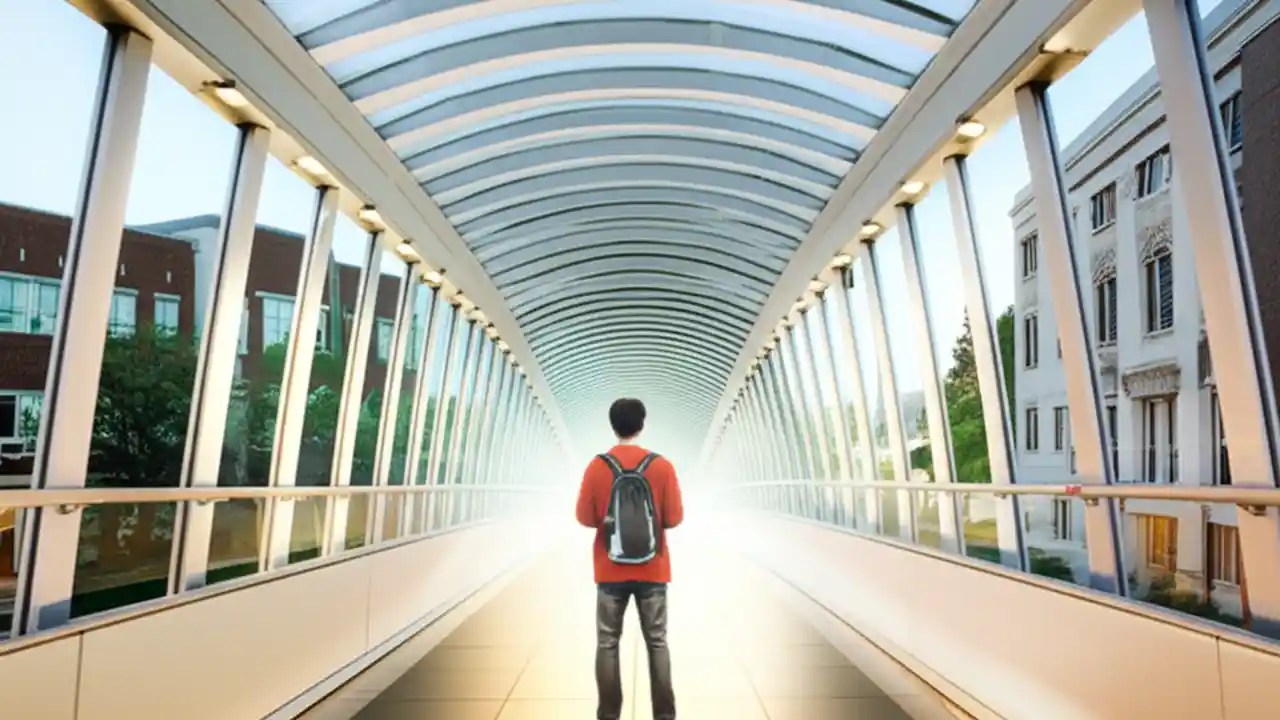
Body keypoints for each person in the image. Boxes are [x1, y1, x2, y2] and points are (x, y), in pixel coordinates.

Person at [575, 397, 683, 720]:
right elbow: (675, 518)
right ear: (642, 424)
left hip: (609, 570)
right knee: (658, 642)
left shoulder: (597, 466)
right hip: (653, 570)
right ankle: (664, 716)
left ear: (613, 425)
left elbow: (583, 516)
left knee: (608, 643)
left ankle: (608, 715)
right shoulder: (662, 466)